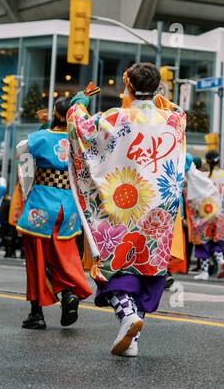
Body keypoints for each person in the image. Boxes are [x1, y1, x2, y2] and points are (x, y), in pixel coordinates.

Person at [69, 64, 187, 358]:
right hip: (159, 204)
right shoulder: (174, 120)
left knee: (116, 262)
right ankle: (132, 339)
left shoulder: (113, 118)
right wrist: (159, 98)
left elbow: (81, 131)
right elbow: (175, 109)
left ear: (128, 87)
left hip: (123, 204)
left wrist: (78, 107)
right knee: (148, 264)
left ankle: (126, 316)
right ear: (159, 88)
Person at [16, 100, 91, 330]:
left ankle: (36, 312)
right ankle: (67, 292)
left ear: (55, 114)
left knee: (37, 258)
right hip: (68, 208)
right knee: (63, 257)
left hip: (41, 203)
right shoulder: (77, 142)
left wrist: (28, 189)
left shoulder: (38, 138)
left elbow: (22, 153)